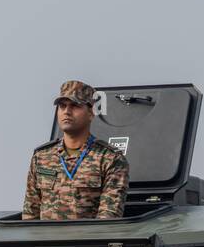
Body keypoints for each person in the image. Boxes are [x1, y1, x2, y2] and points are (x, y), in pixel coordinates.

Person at [22, 80, 129, 221]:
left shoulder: (110, 159)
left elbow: (108, 219)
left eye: (75, 106)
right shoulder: (41, 157)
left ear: (91, 113)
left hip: (86, 241)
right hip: (47, 241)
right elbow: (30, 214)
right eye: (62, 106)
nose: (67, 111)